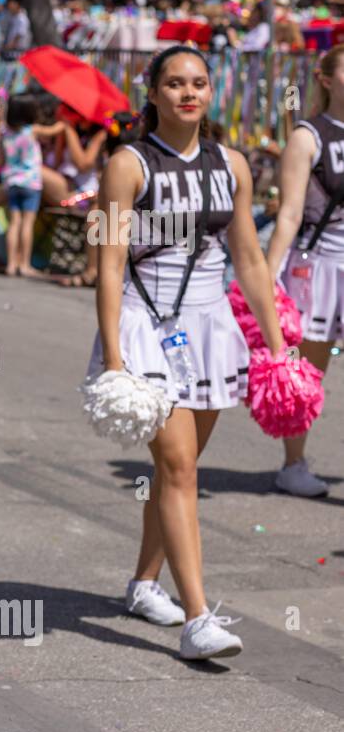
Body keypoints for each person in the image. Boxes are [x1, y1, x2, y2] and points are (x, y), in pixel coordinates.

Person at [89, 45, 286, 660]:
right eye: (174, 83)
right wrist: (115, 357)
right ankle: (198, 618)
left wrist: (277, 344)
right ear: (152, 93)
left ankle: (144, 583)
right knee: (178, 471)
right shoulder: (128, 164)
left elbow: (249, 258)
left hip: (209, 327)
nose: (187, 93)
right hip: (146, 327)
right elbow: (109, 263)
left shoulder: (232, 164)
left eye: (198, 82)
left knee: (179, 469)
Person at [264, 43, 344, 497]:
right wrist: (270, 279)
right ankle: (293, 464)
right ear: (326, 79)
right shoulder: (308, 136)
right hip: (318, 268)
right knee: (307, 371)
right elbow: (290, 213)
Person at [1, 91, 43, 277]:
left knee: (14, 223)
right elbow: (56, 130)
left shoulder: (5, 134)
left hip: (11, 180)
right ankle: (24, 264)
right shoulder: (33, 130)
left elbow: (1, 160)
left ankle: (11, 264)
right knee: (27, 223)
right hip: (31, 182)